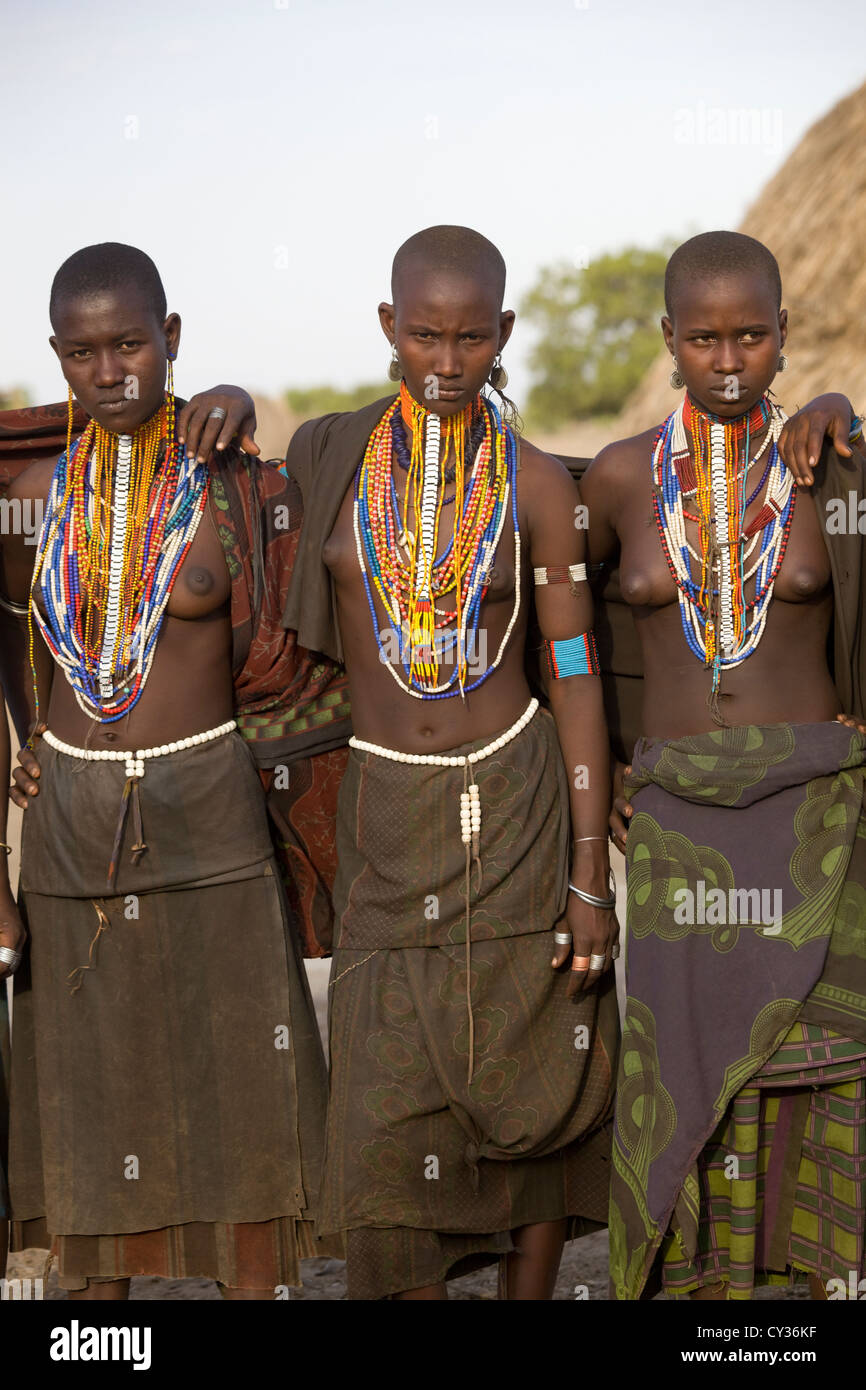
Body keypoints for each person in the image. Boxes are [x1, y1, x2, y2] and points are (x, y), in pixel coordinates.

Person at [277, 225, 620, 1300]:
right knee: (382, 1105)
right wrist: (227, 395)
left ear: (502, 334)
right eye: (424, 333)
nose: (445, 359)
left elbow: (570, 668)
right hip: (385, 807)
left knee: (528, 1066)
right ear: (388, 326)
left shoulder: (529, 487)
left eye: (471, 336)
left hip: (514, 804)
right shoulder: (328, 457)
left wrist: (585, 870)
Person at [1, 243, 347, 1299]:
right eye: (84, 352)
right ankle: (97, 1314)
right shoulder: (30, 497)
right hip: (70, 821)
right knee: (91, 1083)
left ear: (172, 341)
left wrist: (233, 404)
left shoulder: (239, 481)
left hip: (208, 805)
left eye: (131, 345)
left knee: (244, 1065)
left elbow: (366, 482)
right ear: (59, 358)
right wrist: (28, 753)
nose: (111, 372)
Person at [581, 230, 866, 1301]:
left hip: (817, 814)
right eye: (702, 338)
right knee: (690, 1072)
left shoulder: (828, 465)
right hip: (676, 824)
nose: (728, 359)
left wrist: (843, 412)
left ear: (783, 337)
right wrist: (605, 761)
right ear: (667, 341)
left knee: (824, 1067)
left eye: (750, 334)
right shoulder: (612, 482)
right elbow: (568, 634)